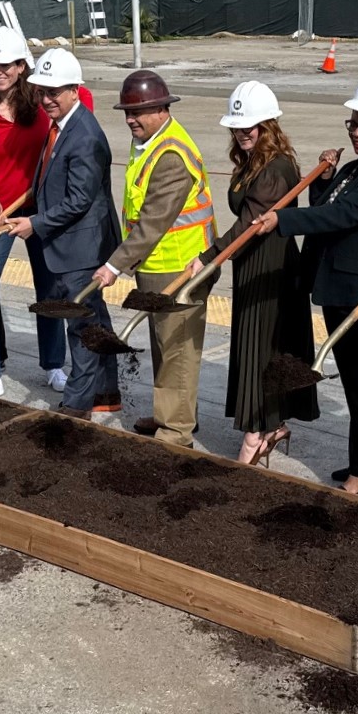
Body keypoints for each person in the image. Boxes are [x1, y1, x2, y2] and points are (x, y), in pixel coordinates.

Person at [257, 72, 358, 497]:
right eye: (353, 125)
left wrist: (281, 219)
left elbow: (339, 217)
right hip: (340, 287)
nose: (357, 133)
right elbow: (326, 206)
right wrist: (325, 180)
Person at [92, 69, 216, 445]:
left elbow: (153, 222)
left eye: (140, 112)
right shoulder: (148, 140)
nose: (131, 119)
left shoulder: (172, 155)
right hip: (156, 265)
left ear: (163, 109)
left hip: (181, 267)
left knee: (178, 350)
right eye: (127, 112)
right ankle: (169, 415)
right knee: (164, 346)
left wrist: (114, 264)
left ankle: (176, 431)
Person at [203, 80, 319, 464]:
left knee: (260, 349)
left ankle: (256, 433)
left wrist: (209, 258)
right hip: (253, 262)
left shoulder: (276, 169)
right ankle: (271, 425)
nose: (240, 132)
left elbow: (250, 224)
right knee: (260, 346)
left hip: (271, 266)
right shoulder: (254, 161)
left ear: (267, 125)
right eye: (235, 126)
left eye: (248, 126)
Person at [5, 49, 123, 418]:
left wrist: (34, 224)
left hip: (82, 247)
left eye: (55, 92)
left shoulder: (84, 136)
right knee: (95, 322)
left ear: (75, 90)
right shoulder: (62, 127)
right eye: (42, 91)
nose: (46, 99)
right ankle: (105, 392)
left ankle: (78, 403)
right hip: (71, 243)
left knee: (82, 325)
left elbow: (77, 201)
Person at [0, 27, 67, 397]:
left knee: (50, 290)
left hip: (40, 210)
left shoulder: (41, 104)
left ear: (22, 66)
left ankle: (53, 364)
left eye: (7, 64)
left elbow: (78, 99)